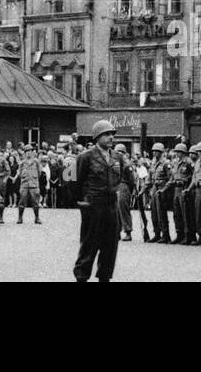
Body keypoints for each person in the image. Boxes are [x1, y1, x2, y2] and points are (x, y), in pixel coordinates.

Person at [74, 120, 133, 282]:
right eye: (106, 134)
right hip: (93, 206)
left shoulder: (117, 157)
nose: (110, 138)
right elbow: (74, 181)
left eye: (112, 134)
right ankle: (81, 277)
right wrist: (81, 204)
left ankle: (104, 278)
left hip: (112, 206)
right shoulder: (85, 156)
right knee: (89, 245)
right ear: (97, 136)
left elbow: (123, 178)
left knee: (110, 246)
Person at [17, 145, 42, 224]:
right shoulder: (22, 163)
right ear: (24, 153)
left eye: (30, 152)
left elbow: (39, 173)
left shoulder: (36, 162)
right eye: (26, 152)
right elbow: (20, 174)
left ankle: (37, 218)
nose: (28, 154)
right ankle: (20, 218)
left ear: (32, 153)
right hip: (24, 185)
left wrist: (33, 178)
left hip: (34, 185)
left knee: (36, 203)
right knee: (22, 202)